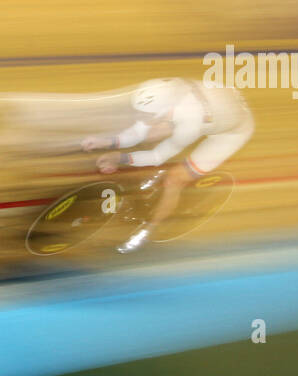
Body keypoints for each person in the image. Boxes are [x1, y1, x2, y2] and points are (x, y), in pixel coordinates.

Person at [81, 77, 253, 253]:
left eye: (146, 115)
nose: (141, 118)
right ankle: (150, 178)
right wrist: (106, 142)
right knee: (151, 134)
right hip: (220, 105)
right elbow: (139, 130)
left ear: (166, 111)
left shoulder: (189, 124)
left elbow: (158, 156)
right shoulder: (166, 90)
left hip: (231, 133)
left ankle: (148, 229)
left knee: (173, 180)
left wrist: (119, 157)